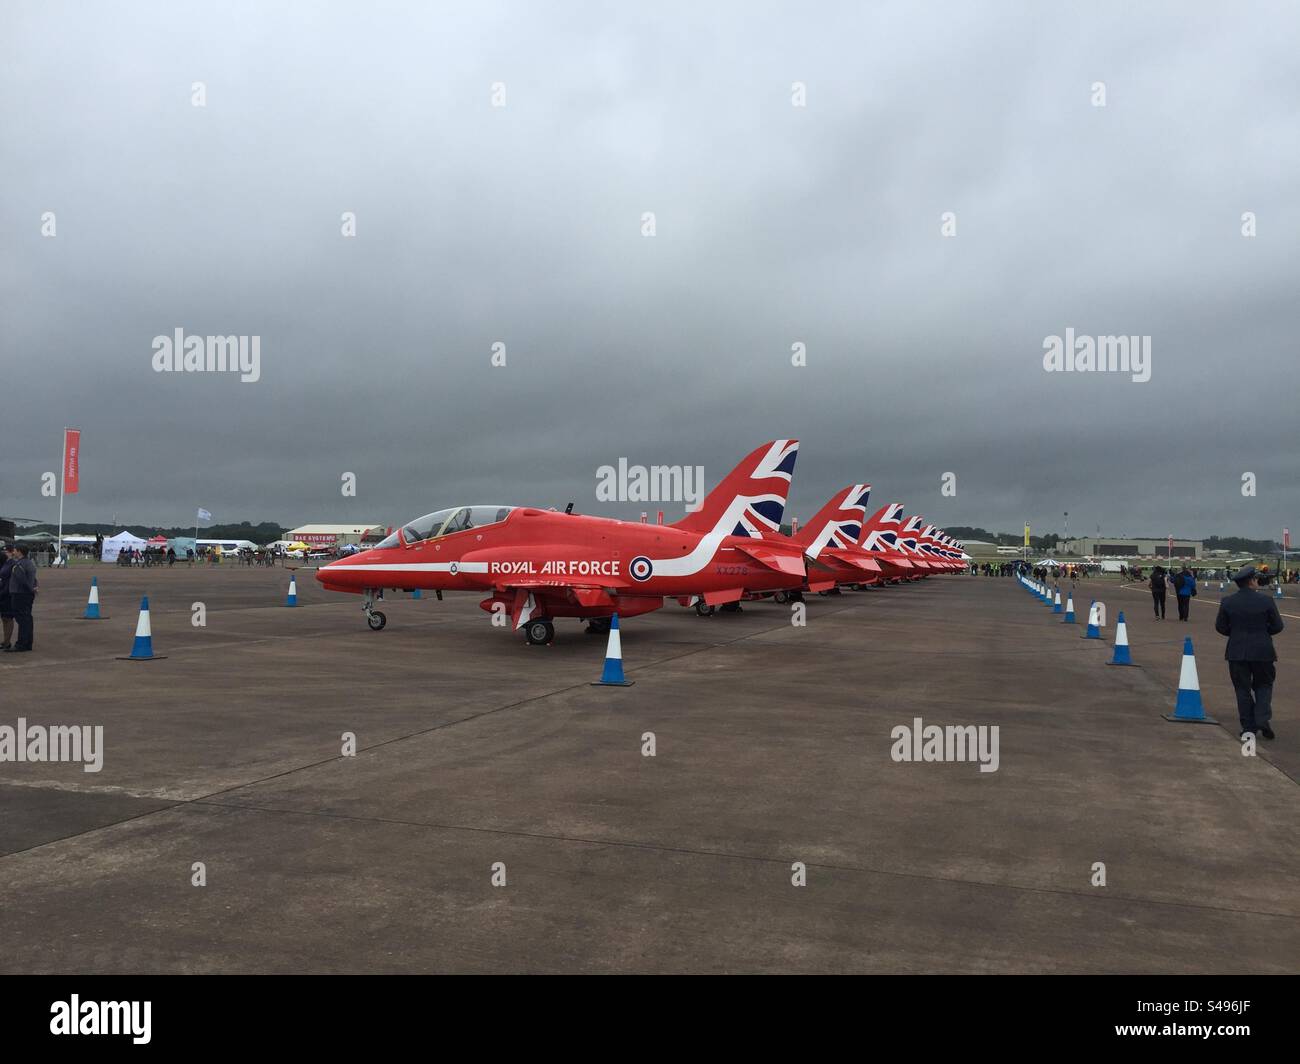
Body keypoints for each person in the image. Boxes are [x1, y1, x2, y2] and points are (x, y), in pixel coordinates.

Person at [1216, 565, 1284, 740]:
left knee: (1242, 689)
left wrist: (1237, 633)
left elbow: (1221, 627)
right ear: (1252, 581)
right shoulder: (1266, 601)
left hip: (1237, 650)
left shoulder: (1228, 601)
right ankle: (1262, 718)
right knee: (1264, 685)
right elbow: (1278, 626)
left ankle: (1248, 726)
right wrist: (1262, 632)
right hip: (1263, 650)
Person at [5, 544, 38, 653]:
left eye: (15, 550)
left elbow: (22, 580)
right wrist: (33, 589)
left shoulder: (20, 565)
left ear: (19, 552)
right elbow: (33, 580)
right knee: (27, 618)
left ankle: (21, 644)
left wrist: (30, 589)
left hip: (20, 594)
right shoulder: (29, 563)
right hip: (26, 594)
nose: (13, 552)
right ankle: (27, 643)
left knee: (22, 619)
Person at [0, 544, 15, 649]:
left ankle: (7, 642)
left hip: (8, 594)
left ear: (11, 552)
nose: (4, 553)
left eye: (6, 551)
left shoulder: (13, 564)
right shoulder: (6, 563)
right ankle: (5, 641)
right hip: (3, 593)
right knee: (4, 618)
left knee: (8, 618)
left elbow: (11, 581)